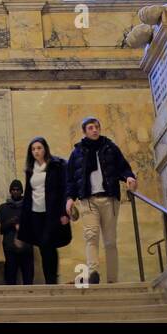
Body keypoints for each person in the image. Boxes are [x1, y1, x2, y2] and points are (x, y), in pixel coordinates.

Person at [65, 116, 136, 285]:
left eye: (96, 127)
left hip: (110, 198)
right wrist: (69, 199)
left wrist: (129, 177)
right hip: (88, 200)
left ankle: (112, 279)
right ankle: (93, 272)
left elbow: (123, 167)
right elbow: (71, 179)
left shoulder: (110, 148)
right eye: (90, 127)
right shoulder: (77, 153)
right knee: (91, 236)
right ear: (84, 131)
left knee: (110, 241)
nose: (94, 130)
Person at [17, 136, 71, 285]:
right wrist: (23, 219)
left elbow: (63, 189)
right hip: (35, 213)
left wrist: (64, 212)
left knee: (49, 244)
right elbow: (28, 193)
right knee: (42, 247)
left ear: (45, 148)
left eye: (39, 148)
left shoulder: (56, 165)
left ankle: (51, 280)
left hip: (52, 212)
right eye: (33, 149)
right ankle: (50, 280)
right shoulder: (30, 169)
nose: (36, 151)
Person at [0, 179, 32, 285]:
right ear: (10, 191)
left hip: (26, 247)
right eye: (13, 190)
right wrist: (11, 222)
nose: (15, 192)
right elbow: (1, 229)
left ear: (21, 191)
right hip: (9, 247)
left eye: (18, 190)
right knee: (10, 278)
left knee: (28, 278)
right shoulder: (3, 208)